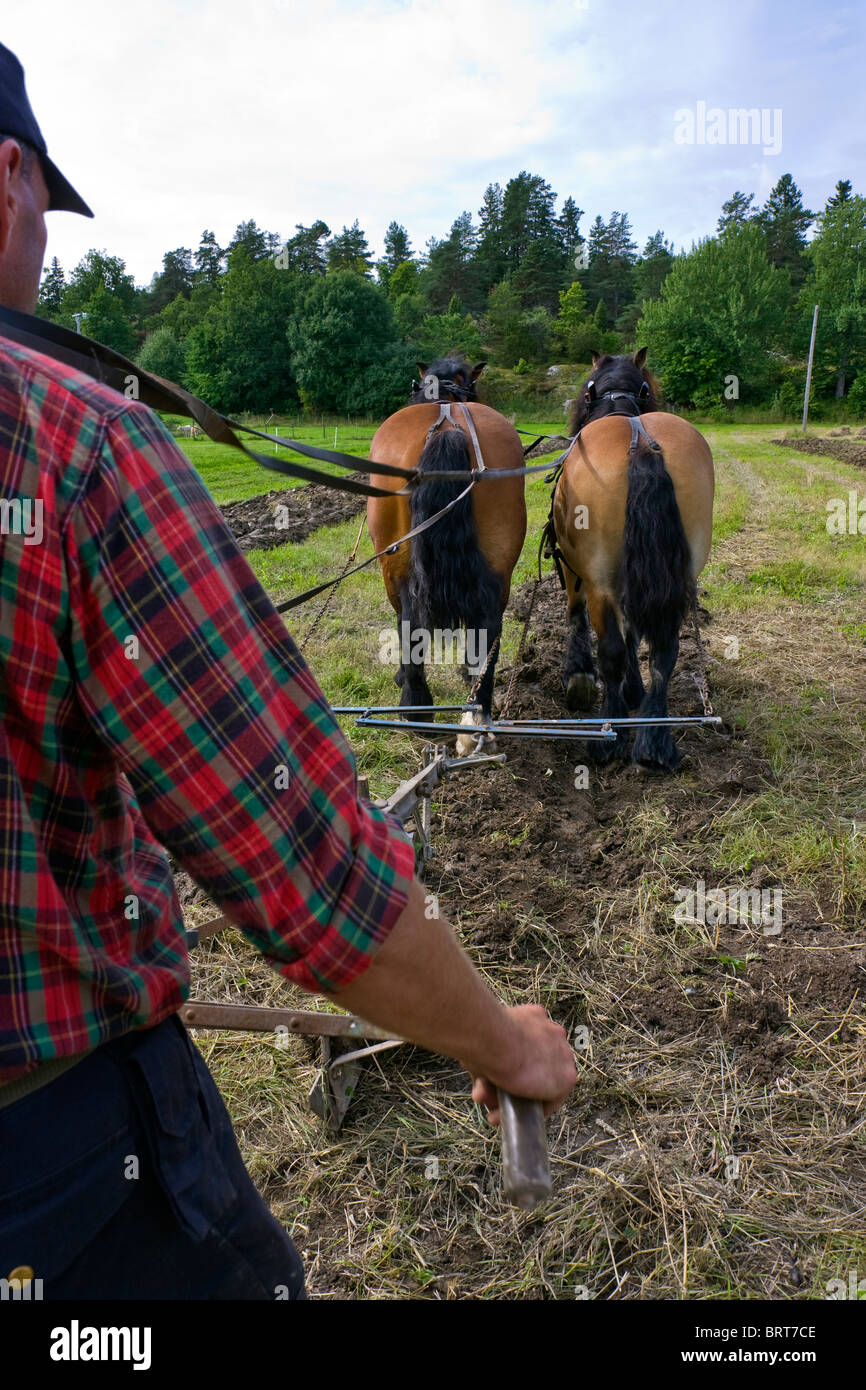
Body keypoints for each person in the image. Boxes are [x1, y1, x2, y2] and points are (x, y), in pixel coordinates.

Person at [0, 41, 576, 1301]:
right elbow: (302, 867)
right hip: (49, 1167)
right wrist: (504, 1040)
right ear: (7, 181)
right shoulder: (72, 444)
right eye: (48, 202)